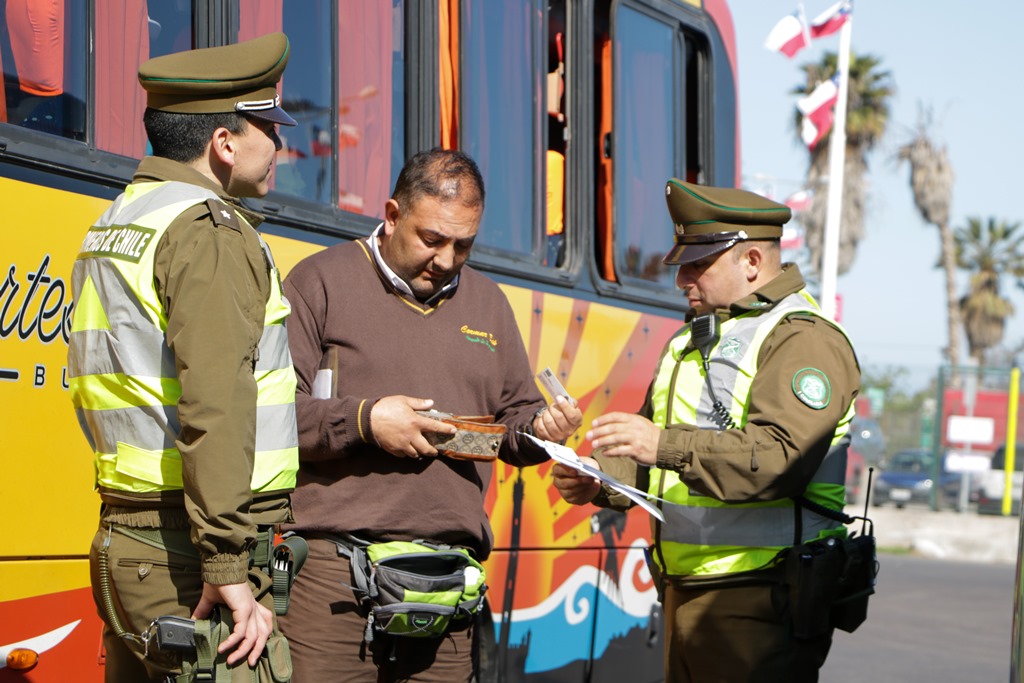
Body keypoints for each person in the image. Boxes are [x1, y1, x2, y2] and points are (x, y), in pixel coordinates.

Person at [278, 147, 583, 682]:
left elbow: (514, 423)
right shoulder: (318, 281)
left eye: (463, 245)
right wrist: (367, 421)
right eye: (432, 239)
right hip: (333, 581)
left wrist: (541, 429)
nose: (445, 259)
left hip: (448, 582)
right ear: (392, 215)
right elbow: (274, 415)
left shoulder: (489, 303)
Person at [552, 179, 861, 683]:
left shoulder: (802, 339)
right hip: (687, 592)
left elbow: (778, 459)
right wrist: (599, 479)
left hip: (762, 598)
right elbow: (653, 452)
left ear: (752, 262)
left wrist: (661, 444)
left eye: (698, 265)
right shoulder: (689, 340)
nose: (682, 280)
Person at [67, 33, 300, 682]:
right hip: (188, 553)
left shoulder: (120, 219)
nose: (279, 146)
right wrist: (226, 562)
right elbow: (217, 405)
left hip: (127, 536)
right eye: (269, 129)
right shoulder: (208, 231)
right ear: (225, 143)